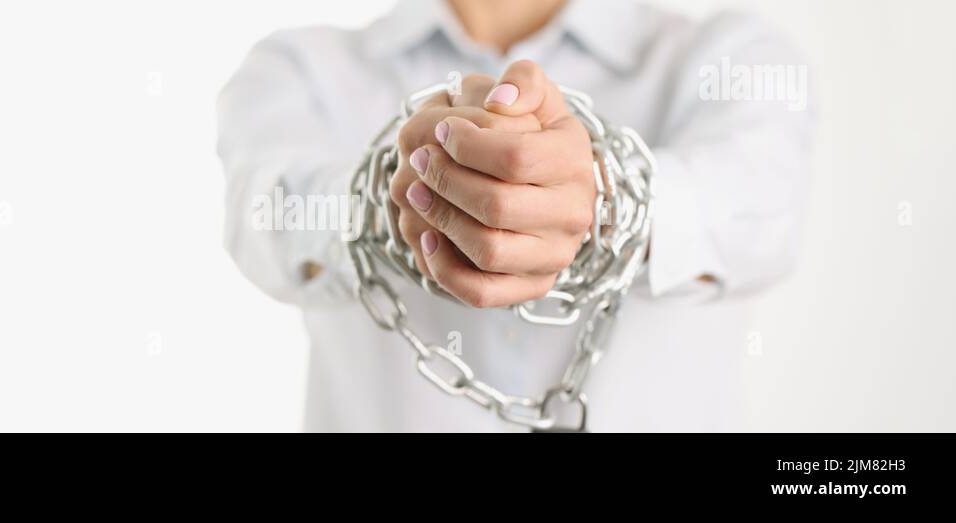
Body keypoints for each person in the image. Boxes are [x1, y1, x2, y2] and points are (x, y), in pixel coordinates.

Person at [217, 0, 813, 431]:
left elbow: (760, 208)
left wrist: (600, 193)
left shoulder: (732, 58)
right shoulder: (299, 68)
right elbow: (266, 214)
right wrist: (396, 190)